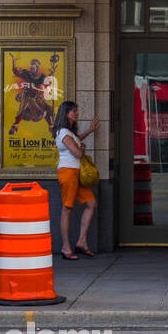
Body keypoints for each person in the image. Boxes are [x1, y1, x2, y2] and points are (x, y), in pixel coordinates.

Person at [52, 100, 99, 259]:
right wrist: (82, 148)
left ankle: (81, 241)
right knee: (67, 208)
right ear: (66, 114)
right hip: (68, 173)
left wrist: (89, 131)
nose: (77, 113)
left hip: (76, 173)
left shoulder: (68, 132)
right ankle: (66, 247)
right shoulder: (63, 132)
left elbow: (76, 140)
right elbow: (77, 153)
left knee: (91, 203)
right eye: (74, 111)